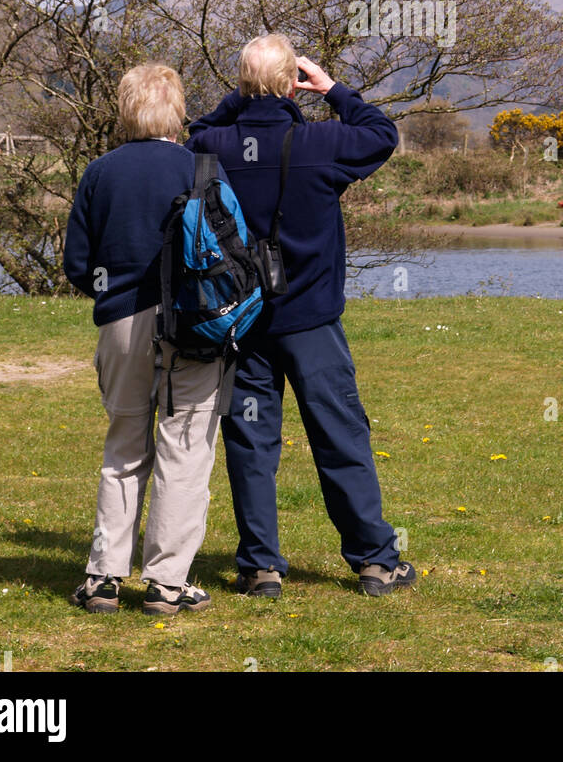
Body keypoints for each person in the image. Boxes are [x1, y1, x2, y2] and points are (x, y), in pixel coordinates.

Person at [186, 33, 416, 598]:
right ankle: (375, 563)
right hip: (311, 320)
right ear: (294, 83)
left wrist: (242, 99)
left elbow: (192, 132)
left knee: (251, 443)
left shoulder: (213, 145)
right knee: (340, 435)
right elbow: (382, 134)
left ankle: (260, 567)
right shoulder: (324, 141)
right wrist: (332, 88)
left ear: (241, 85)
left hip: (241, 322)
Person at [63, 62, 231, 616]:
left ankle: (104, 577)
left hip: (121, 321)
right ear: (178, 110)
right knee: (184, 451)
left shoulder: (99, 173)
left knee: (124, 446)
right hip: (194, 324)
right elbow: (230, 255)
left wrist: (111, 292)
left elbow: (78, 265)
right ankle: (166, 584)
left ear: (126, 109)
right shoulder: (202, 169)